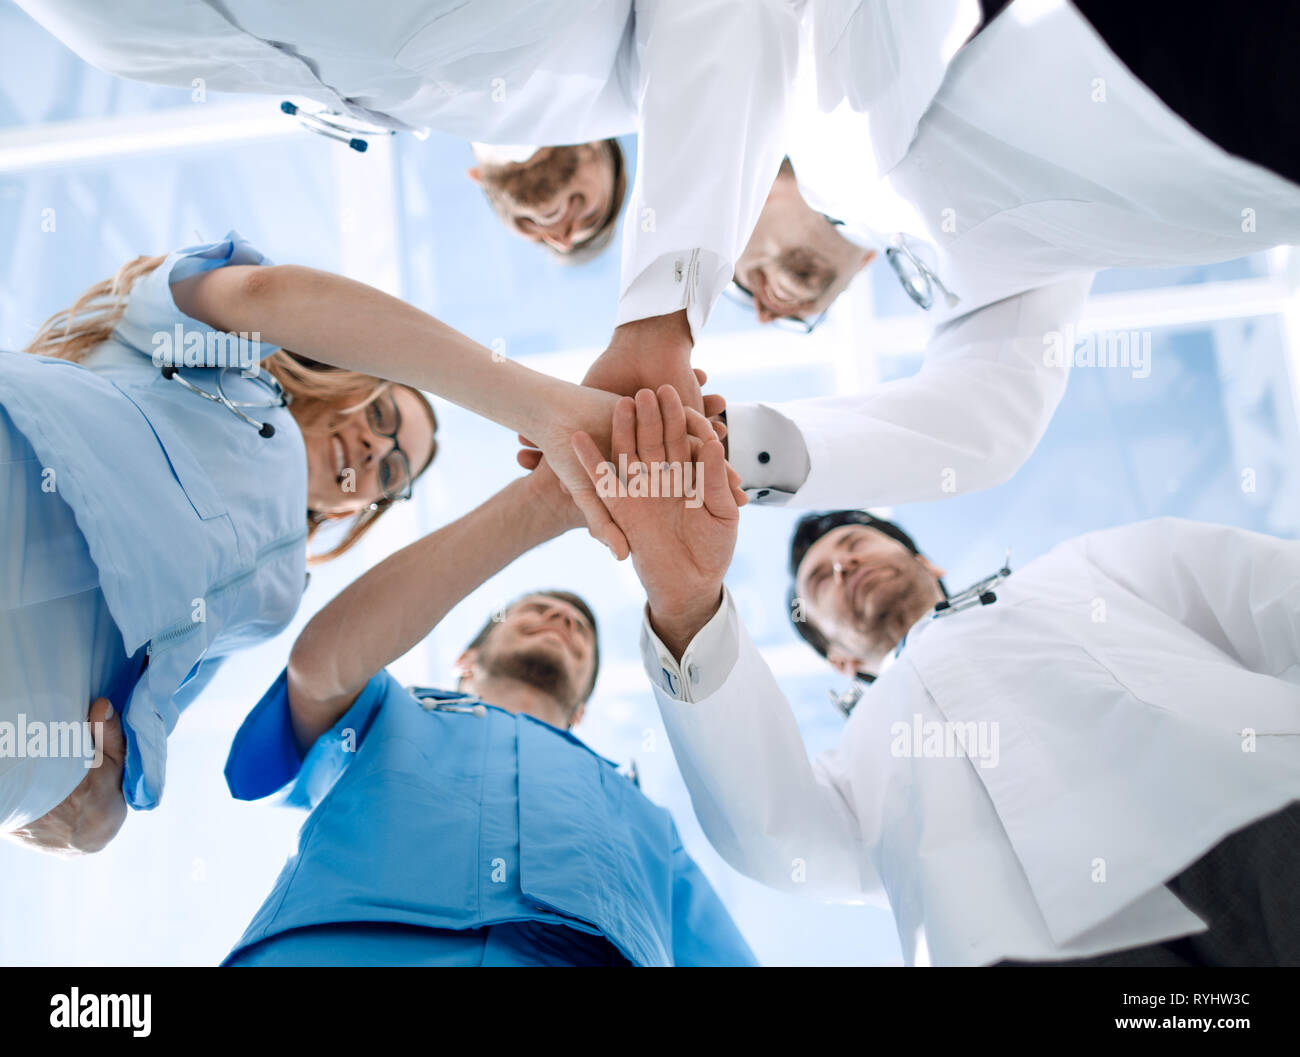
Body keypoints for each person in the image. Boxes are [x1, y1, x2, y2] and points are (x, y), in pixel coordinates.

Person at [574, 391, 1300, 966]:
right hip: (1026, 947)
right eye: (820, 579)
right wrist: (688, 601)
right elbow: (775, 838)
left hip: (1260, 812)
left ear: (934, 564)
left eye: (855, 545)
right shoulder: (853, 767)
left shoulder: (1089, 568)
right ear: (838, 658)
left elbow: (1275, 598)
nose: (843, 566)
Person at [0, 229, 661, 855]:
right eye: (378, 412)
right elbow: (270, 300)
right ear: (340, 370)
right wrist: (545, 409)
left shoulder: (276, 595)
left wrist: (89, 816)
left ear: (362, 507)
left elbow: (146, 713)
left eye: (394, 471)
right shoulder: (221, 365)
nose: (376, 450)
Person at [16, 0, 803, 413]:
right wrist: (658, 320)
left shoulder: (388, 109)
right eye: (588, 211)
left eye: (550, 236)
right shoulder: (615, 75)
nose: (561, 223)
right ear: (606, 152)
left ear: (483, 196)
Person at [715, 0, 1300, 509]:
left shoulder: (795, 63)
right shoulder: (969, 293)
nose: (767, 313)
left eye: (741, 283)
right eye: (782, 321)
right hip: (1243, 141)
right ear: (861, 270)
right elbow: (981, 425)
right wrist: (734, 450)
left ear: (746, 189)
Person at [220, 453, 754, 967]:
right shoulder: (382, 713)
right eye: (538, 611)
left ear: (581, 714)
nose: (562, 621)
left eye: (579, 628)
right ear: (465, 660)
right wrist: (540, 503)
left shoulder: (651, 826)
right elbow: (317, 668)